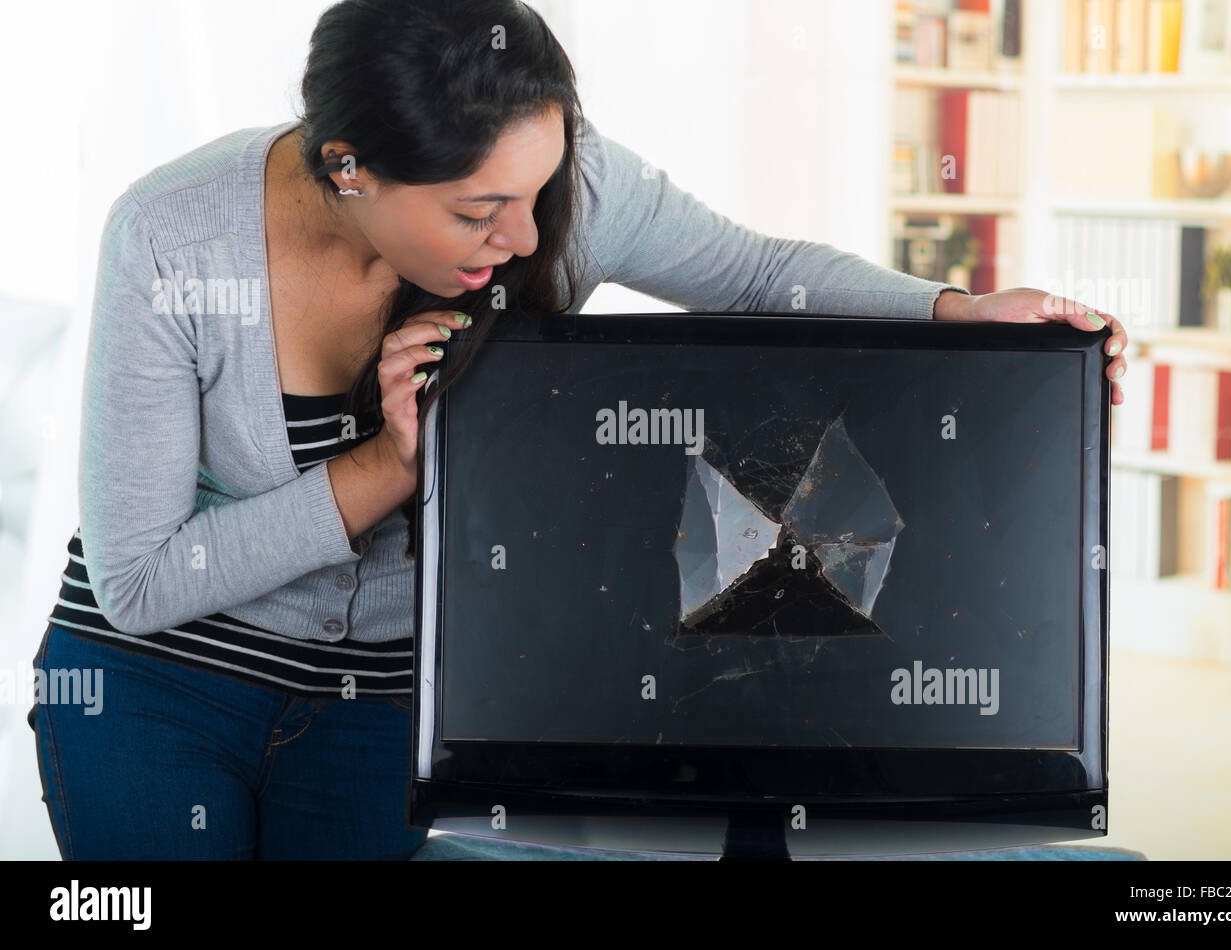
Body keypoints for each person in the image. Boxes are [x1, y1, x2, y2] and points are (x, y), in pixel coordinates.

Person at [28, 0, 1128, 861]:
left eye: (537, 188)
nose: (521, 236)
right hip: (158, 683)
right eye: (474, 212)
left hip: (389, 699)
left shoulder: (558, 189)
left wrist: (957, 314)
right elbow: (141, 577)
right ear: (349, 166)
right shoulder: (172, 238)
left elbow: (759, 275)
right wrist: (390, 465)